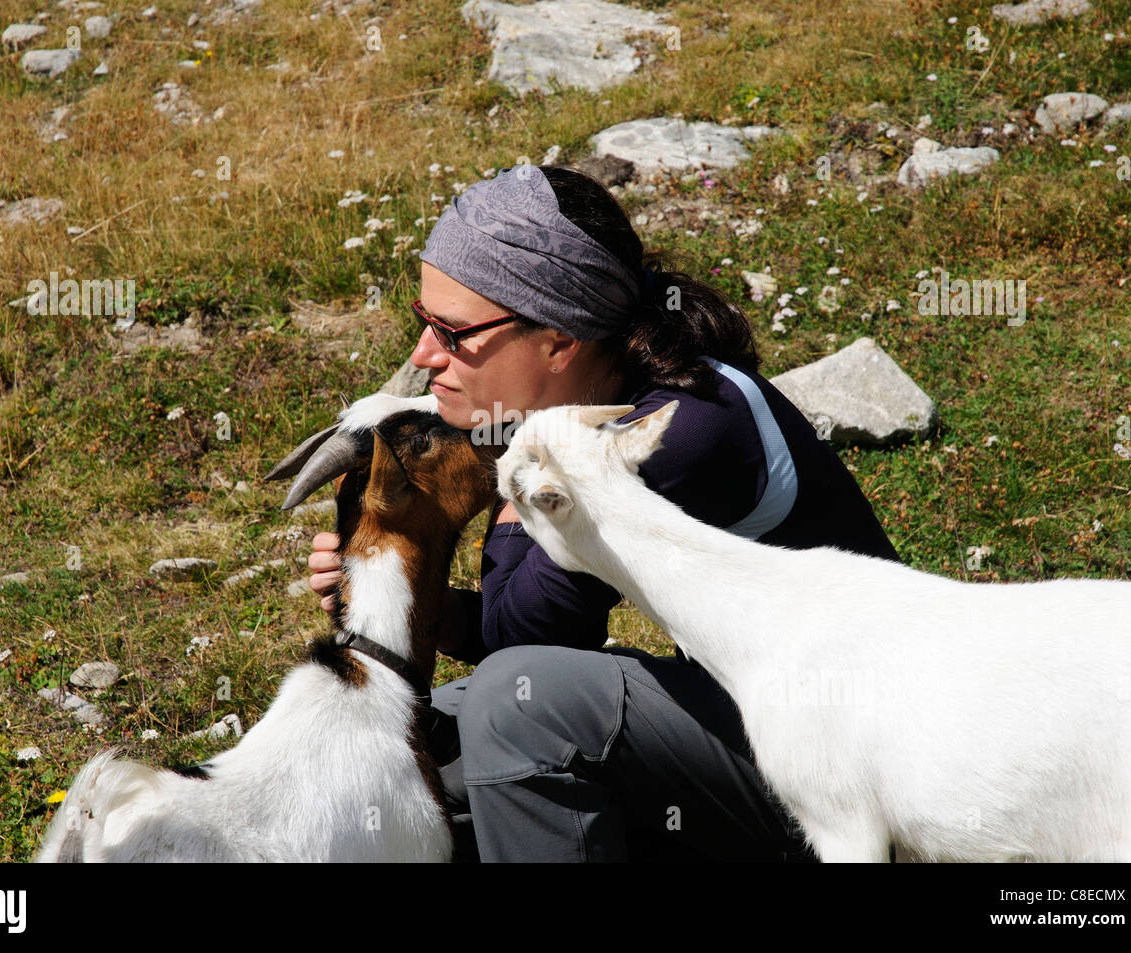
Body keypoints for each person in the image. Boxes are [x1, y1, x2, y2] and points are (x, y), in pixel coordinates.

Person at [307, 164, 901, 862]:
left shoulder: (674, 433)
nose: (424, 355)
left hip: (852, 759)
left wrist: (501, 446)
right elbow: (532, 633)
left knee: (514, 709)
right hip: (760, 717)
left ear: (559, 339)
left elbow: (527, 637)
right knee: (407, 754)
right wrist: (407, 601)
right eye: (423, 323)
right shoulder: (606, 403)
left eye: (452, 331)